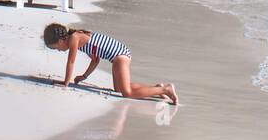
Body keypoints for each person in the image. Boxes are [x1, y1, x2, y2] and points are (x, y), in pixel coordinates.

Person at [42, 23, 178, 105]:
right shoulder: (79, 38)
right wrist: (84, 76)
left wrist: (65, 83)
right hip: (116, 58)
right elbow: (95, 60)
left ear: (60, 41)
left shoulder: (74, 38)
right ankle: (157, 88)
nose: (59, 51)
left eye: (56, 48)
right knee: (119, 89)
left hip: (120, 56)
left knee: (127, 93)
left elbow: (71, 61)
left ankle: (166, 89)